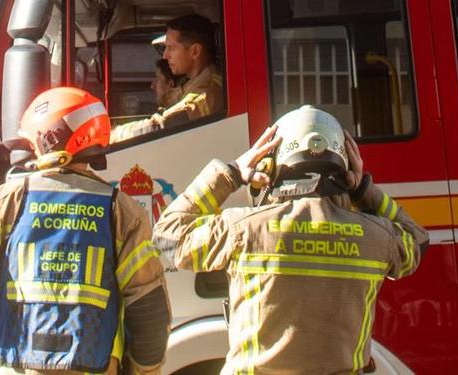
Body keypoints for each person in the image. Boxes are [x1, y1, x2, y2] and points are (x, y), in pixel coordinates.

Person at [155, 106, 427, 375]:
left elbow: (167, 235)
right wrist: (363, 190)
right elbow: (418, 242)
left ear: (271, 164)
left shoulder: (244, 228)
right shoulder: (376, 237)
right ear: (344, 165)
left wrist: (232, 173)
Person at [0, 86, 171, 375]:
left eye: (33, 143)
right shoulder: (122, 213)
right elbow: (150, 314)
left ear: (50, 139)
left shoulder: (4, 203)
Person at [111, 12, 224, 144]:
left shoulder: (207, 91)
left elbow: (165, 125)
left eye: (171, 48)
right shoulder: (195, 82)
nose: (165, 55)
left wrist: (114, 135)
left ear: (195, 51)